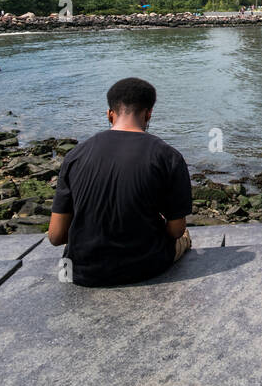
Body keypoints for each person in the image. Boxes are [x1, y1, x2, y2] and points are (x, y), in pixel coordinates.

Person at [48, 77, 193, 286]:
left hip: (81, 270)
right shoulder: (168, 156)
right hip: (145, 266)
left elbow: (56, 236)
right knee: (185, 235)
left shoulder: (75, 156)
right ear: (148, 113)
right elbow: (176, 231)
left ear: (110, 114)